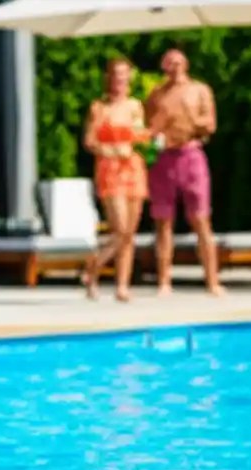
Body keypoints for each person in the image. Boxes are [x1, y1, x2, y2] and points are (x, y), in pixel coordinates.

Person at [145, 48, 223, 296]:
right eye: (169, 62)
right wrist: (159, 127)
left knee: (201, 219)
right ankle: (164, 282)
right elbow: (149, 128)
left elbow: (210, 124)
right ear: (163, 66)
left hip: (191, 154)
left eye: (178, 61)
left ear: (186, 64)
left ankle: (212, 281)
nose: (174, 66)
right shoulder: (157, 93)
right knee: (163, 221)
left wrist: (189, 119)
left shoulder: (199, 90)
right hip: (165, 157)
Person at [82, 58, 150, 303]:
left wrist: (144, 139)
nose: (120, 80)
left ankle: (122, 286)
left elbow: (139, 134)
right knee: (120, 229)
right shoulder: (99, 108)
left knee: (129, 233)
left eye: (124, 75)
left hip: (132, 167)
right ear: (109, 78)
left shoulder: (135, 105)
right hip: (110, 168)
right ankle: (94, 268)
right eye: (116, 75)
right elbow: (89, 141)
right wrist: (108, 150)